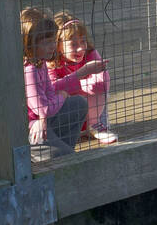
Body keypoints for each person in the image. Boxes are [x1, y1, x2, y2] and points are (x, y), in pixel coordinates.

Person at [22, 7, 101, 158]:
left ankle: (61, 150)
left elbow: (49, 93)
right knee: (68, 158)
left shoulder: (40, 62)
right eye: (46, 43)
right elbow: (44, 108)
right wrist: (63, 96)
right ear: (29, 44)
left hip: (43, 121)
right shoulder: (30, 70)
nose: (52, 47)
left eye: (53, 41)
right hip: (31, 129)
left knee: (79, 103)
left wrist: (43, 117)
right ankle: (40, 153)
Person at [51, 11, 118, 144]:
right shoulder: (51, 62)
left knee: (98, 91)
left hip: (93, 110)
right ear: (58, 45)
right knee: (61, 94)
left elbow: (102, 84)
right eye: (73, 44)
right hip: (68, 110)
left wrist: (77, 86)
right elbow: (51, 88)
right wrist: (82, 77)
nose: (81, 48)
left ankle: (95, 125)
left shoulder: (91, 53)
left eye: (83, 41)